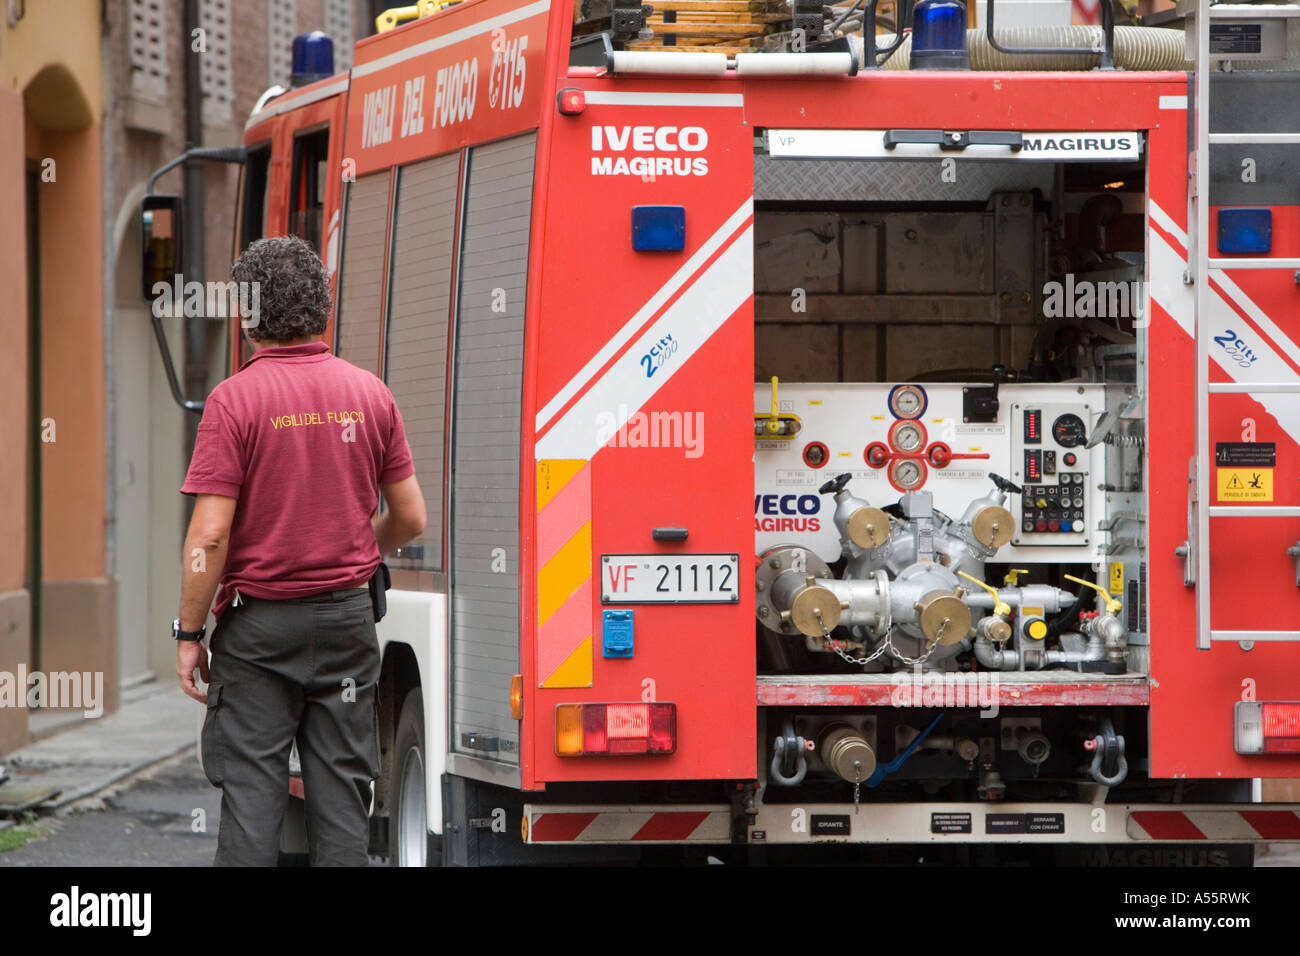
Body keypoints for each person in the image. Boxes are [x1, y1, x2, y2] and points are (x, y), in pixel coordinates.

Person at [174, 235, 426, 866]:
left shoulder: (235, 402)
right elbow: (412, 516)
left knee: (253, 801)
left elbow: (209, 536)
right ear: (323, 309)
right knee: (342, 803)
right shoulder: (371, 394)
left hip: (259, 635)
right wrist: (353, 552)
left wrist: (188, 631)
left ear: (248, 315)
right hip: (347, 625)